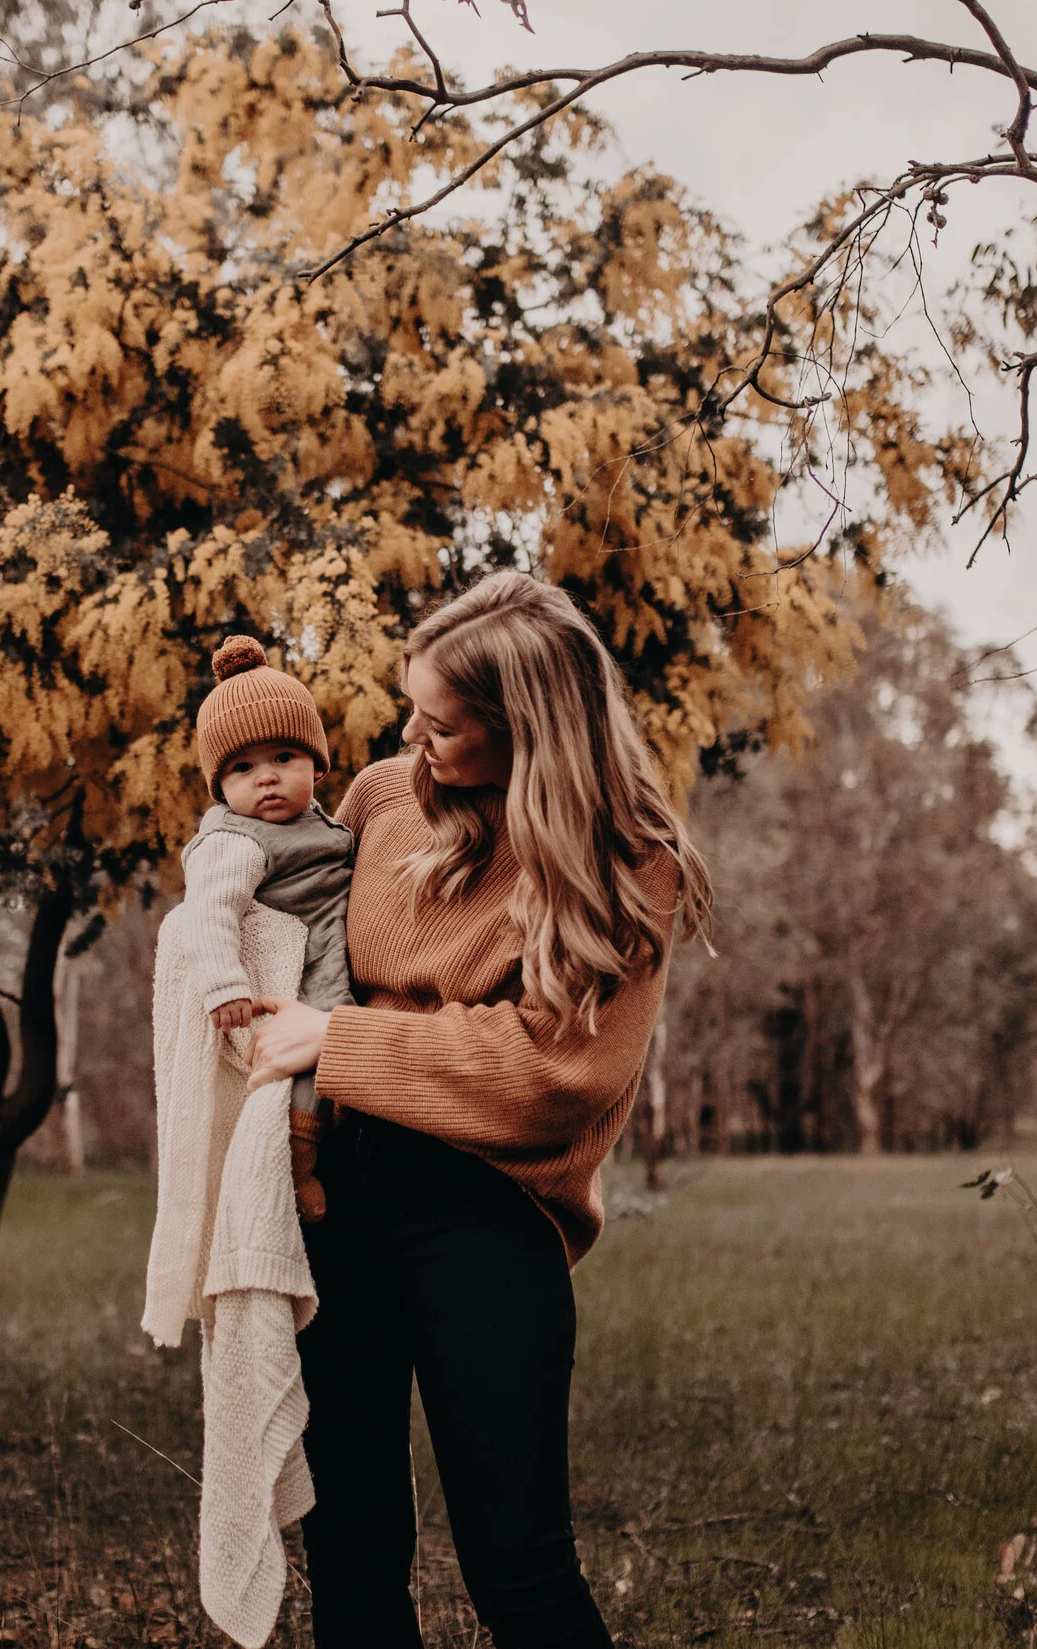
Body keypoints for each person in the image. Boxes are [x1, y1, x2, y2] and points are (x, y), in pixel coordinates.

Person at [242, 573, 713, 1649]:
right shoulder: (379, 798)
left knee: (518, 1566)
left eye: (441, 722)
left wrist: (340, 1041)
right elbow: (295, 935)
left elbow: (558, 1074)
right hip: (331, 1199)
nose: (412, 735)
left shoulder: (629, 860)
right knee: (350, 1558)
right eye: (411, 706)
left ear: (526, 730)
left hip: (485, 1217)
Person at [175, 634, 355, 1222]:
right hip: (294, 975)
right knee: (303, 1063)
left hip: (334, 953)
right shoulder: (233, 839)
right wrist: (223, 984)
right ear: (221, 785)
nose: (268, 779)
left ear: (317, 765)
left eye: (285, 759)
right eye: (243, 768)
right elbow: (210, 911)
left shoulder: (322, 823)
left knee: (347, 1051)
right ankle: (296, 1168)